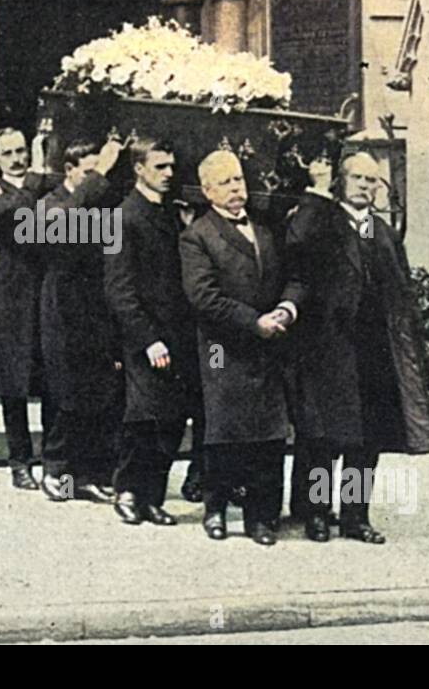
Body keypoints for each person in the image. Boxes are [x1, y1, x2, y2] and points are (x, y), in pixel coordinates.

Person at [283, 152, 429, 544]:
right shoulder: (323, 220)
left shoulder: (383, 232)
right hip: (328, 350)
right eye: (359, 179)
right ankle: (316, 513)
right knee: (322, 439)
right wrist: (316, 193)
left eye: (373, 180)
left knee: (366, 442)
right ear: (341, 181)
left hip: (374, 351)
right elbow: (297, 243)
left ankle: (355, 516)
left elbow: (401, 287)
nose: (366, 187)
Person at [180, 150, 300, 546]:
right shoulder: (197, 235)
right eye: (227, 182)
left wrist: (286, 308)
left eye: (240, 180)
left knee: (268, 436)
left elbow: (295, 276)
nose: (236, 188)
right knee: (225, 433)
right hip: (223, 347)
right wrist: (254, 322)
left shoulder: (267, 230)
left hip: (271, 345)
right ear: (208, 190)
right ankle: (215, 509)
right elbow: (203, 297)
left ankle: (261, 517)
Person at [104, 137, 201, 526]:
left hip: (177, 335)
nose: (168, 174)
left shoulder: (169, 214)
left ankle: (153, 496)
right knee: (143, 418)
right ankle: (127, 491)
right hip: (144, 339)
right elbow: (119, 291)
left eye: (171, 166)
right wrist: (148, 340)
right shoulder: (121, 217)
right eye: (159, 166)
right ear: (138, 169)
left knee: (171, 420)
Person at [38, 137, 126, 505]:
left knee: (102, 390)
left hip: (98, 305)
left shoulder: (103, 200)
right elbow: (57, 231)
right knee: (67, 390)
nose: (96, 178)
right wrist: (100, 174)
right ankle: (56, 469)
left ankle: (92, 472)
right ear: (69, 171)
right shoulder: (50, 203)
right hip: (64, 306)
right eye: (87, 171)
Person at [0, 126, 60, 490]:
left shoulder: (45, 185)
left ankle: (53, 460)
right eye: (8, 153)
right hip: (12, 296)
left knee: (53, 380)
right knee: (14, 385)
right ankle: (20, 461)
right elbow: (20, 213)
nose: (17, 158)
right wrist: (38, 175)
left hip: (47, 291)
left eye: (22, 150)